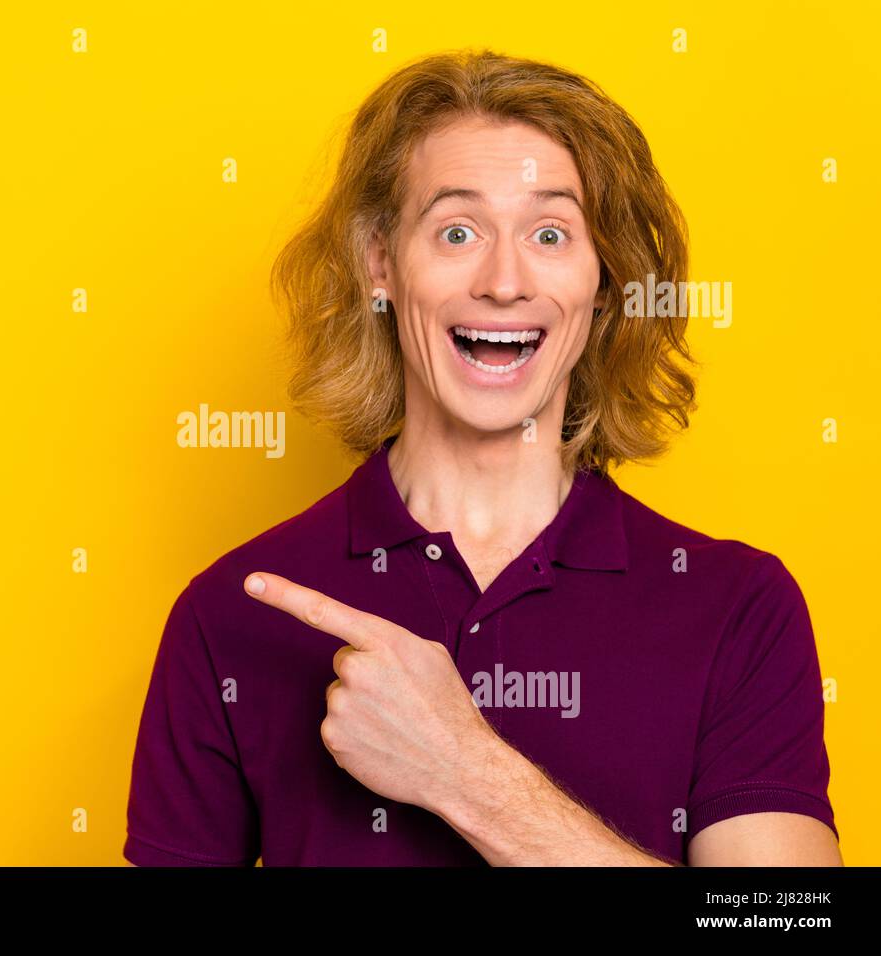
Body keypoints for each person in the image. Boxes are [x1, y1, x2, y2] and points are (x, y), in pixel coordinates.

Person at [124, 49, 841, 866]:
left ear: (602, 281)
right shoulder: (232, 615)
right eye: (458, 230)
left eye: (549, 232)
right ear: (381, 264)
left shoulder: (739, 607)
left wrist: (465, 774)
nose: (504, 281)